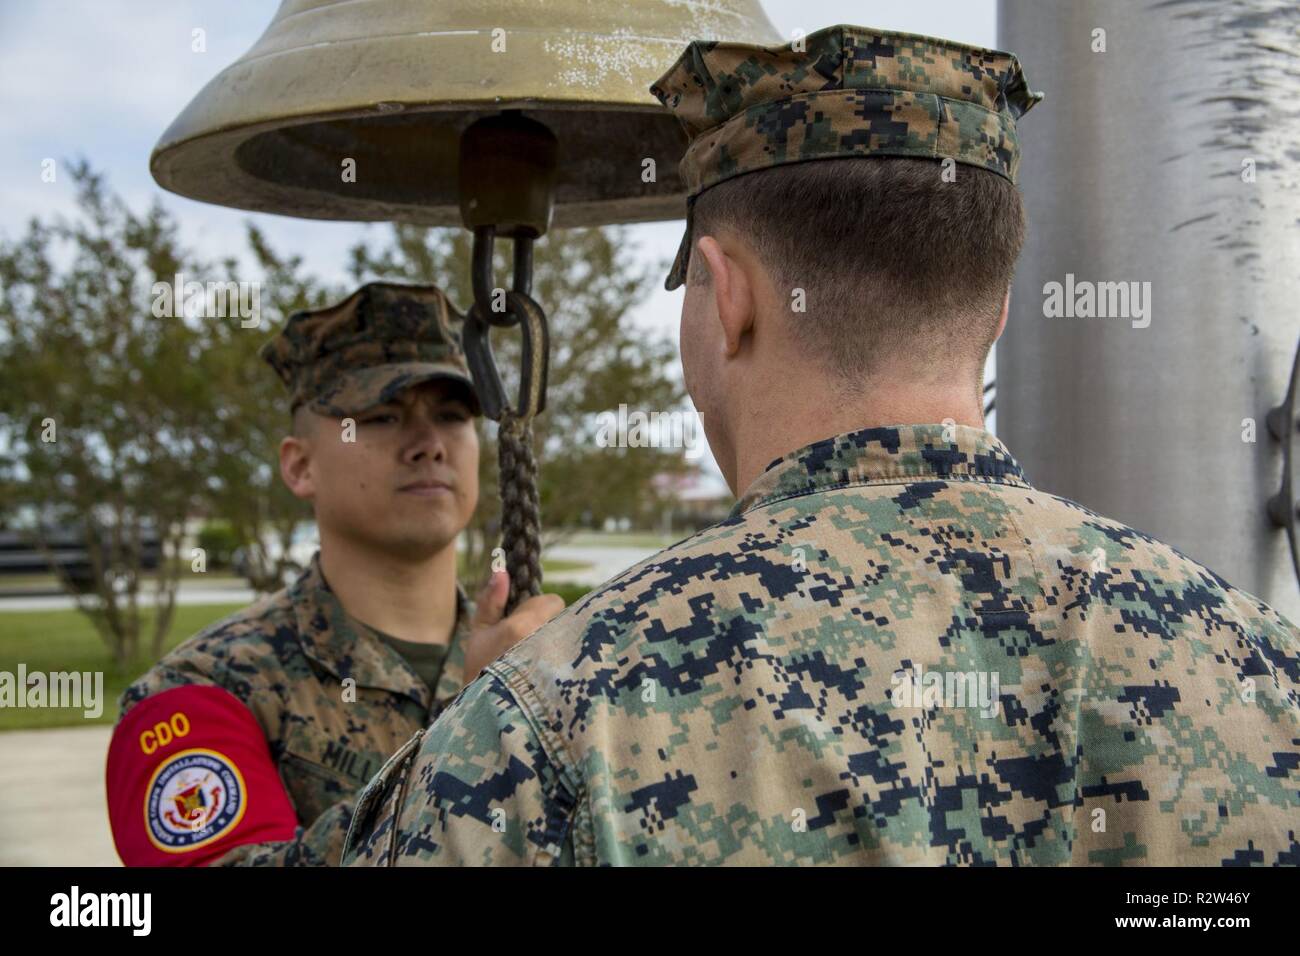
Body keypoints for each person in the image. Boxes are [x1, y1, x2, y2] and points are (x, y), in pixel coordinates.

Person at [342, 27, 1300, 866]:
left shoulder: (561, 713)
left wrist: (467, 734)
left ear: (730, 295)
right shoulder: (1265, 668)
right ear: (998, 311)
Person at [105, 281, 564, 866]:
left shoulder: (536, 658)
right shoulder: (199, 695)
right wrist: (471, 733)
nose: (428, 443)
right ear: (300, 466)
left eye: (452, 415)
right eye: (380, 416)